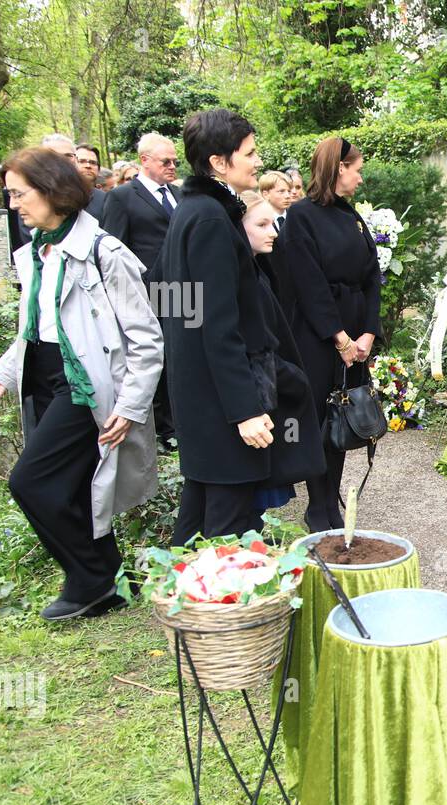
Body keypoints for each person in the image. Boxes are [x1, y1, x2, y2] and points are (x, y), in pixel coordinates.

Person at [0, 147, 163, 621]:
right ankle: (107, 580)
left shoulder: (104, 252)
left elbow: (145, 338)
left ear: (52, 190)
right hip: (43, 374)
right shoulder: (38, 252)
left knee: (30, 482)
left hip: (84, 385)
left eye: (20, 194)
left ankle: (93, 578)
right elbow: (34, 329)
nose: (14, 204)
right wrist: (3, 374)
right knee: (71, 484)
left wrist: (131, 403)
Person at [155, 108, 277, 544]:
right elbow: (217, 325)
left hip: (200, 392)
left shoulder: (194, 210)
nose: (257, 161)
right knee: (225, 534)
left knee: (195, 524)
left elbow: (169, 296)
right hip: (219, 402)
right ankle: (211, 612)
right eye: (250, 153)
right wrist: (244, 409)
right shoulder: (208, 218)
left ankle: (178, 607)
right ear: (219, 163)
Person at [275, 136, 382, 532]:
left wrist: (368, 333)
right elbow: (308, 283)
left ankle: (330, 502)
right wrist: (339, 338)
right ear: (339, 168)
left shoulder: (351, 216)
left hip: (355, 337)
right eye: (357, 168)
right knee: (321, 419)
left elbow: (372, 277)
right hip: (317, 338)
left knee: (343, 417)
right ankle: (318, 507)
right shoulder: (302, 216)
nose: (360, 176)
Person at [239, 189, 325, 513]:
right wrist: (294, 377)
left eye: (272, 223)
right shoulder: (242, 279)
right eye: (262, 224)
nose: (273, 232)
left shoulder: (260, 269)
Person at [102, 132, 182, 447]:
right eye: (166, 161)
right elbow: (113, 246)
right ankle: (164, 428)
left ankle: (181, 419)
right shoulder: (122, 197)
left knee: (182, 352)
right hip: (147, 290)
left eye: (175, 161)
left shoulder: (180, 194)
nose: (173, 166)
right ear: (144, 160)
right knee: (157, 353)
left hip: (185, 288)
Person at [74, 142, 109, 219]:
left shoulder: (107, 200)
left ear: (99, 169)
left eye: (93, 163)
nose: (88, 166)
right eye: (82, 161)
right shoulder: (59, 196)